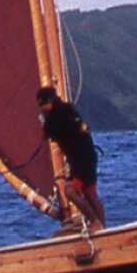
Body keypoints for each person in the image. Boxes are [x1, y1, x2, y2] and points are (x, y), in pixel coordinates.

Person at [37, 85, 105, 231]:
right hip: (88, 155)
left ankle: (95, 222)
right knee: (89, 192)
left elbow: (48, 134)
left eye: (42, 104)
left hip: (80, 158)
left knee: (70, 192)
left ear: (49, 101)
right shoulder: (67, 109)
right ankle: (103, 227)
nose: (41, 108)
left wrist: (44, 123)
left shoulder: (56, 116)